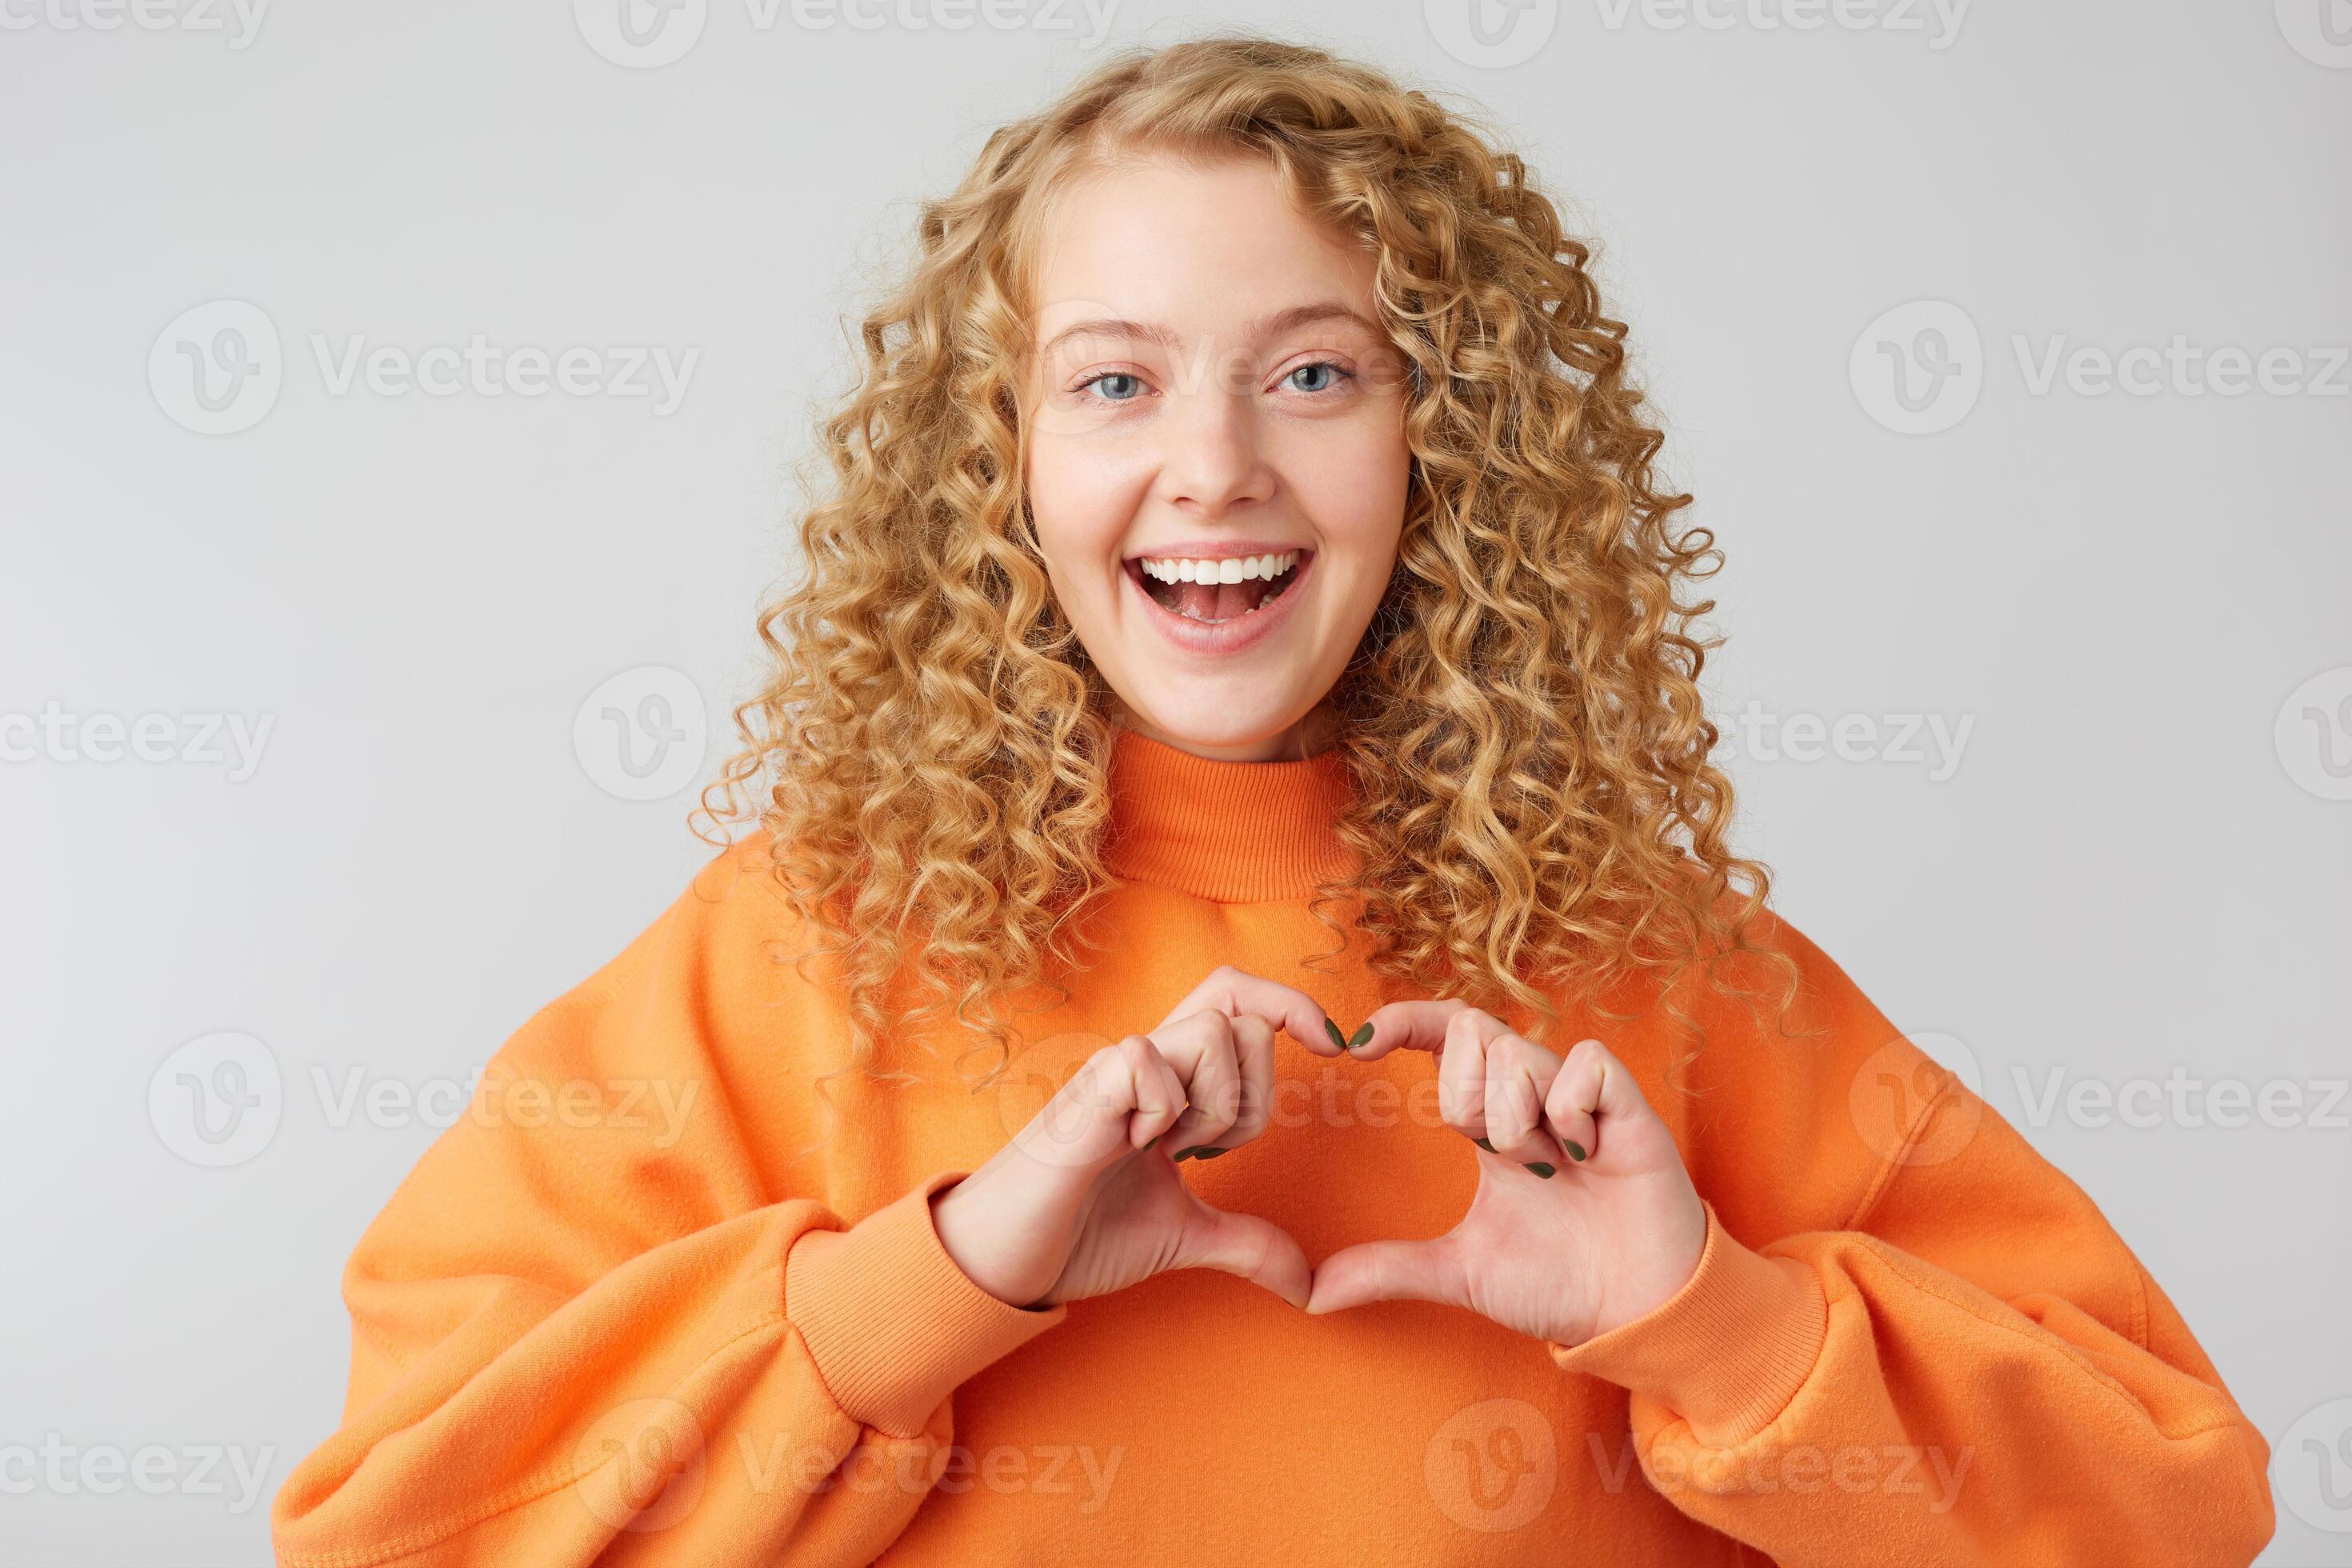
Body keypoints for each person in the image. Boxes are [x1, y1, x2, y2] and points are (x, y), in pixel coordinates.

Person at [270, 35, 2275, 1566]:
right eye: (1114, 381)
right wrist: (948, 1272)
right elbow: (393, 1527)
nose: (1216, 463)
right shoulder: (795, 949)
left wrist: (1703, 1316)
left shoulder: (1675, 975)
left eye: (1316, 374)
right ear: (999, 462)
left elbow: (2177, 1506)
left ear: (1446, 447)